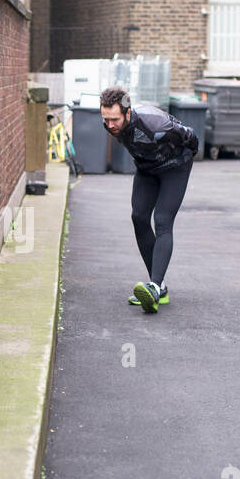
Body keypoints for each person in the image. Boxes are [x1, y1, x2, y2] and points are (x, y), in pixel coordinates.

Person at [99, 86, 200, 313]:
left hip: (175, 168)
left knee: (162, 219)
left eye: (114, 119)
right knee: (139, 217)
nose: (110, 125)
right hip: (147, 169)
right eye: (105, 119)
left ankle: (154, 286)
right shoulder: (111, 124)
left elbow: (192, 137)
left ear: (128, 112)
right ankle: (159, 287)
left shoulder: (155, 123)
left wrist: (180, 160)